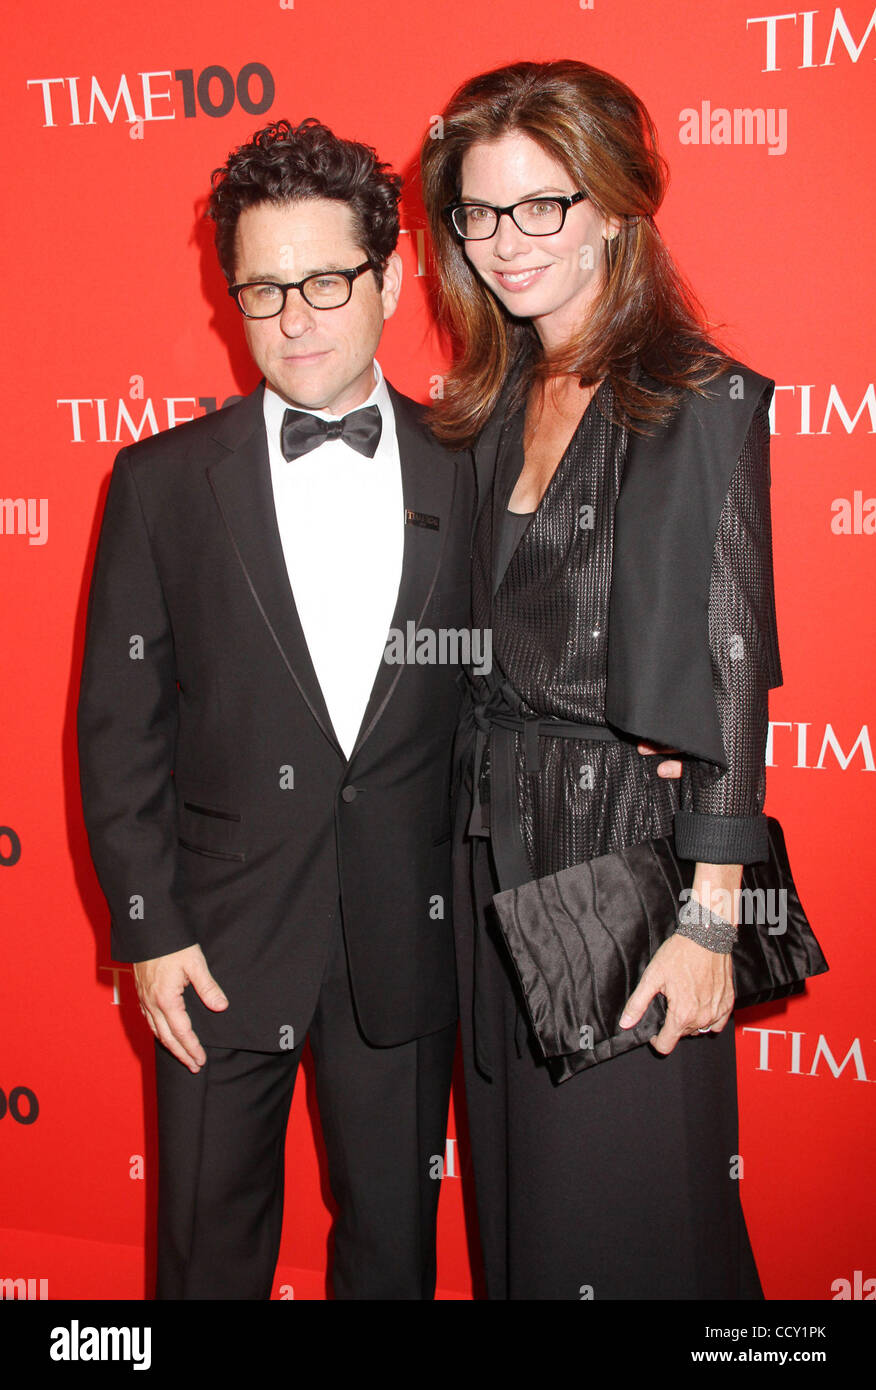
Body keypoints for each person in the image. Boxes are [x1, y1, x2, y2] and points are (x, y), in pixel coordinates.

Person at [77, 117, 475, 1300]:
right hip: (215, 943)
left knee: (392, 1252)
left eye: (325, 280)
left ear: (391, 275)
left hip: (407, 937)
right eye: (262, 290)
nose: (295, 318)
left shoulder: (470, 465)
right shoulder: (160, 484)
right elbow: (119, 728)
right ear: (230, 296)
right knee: (205, 1255)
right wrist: (146, 927)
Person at [420, 60, 783, 1299]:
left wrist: (711, 917)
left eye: (542, 206)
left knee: (624, 1230)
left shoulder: (693, 396)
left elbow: (731, 659)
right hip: (492, 851)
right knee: (521, 1222)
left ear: (614, 205)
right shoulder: (496, 391)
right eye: (479, 213)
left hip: (621, 866)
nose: (505, 244)